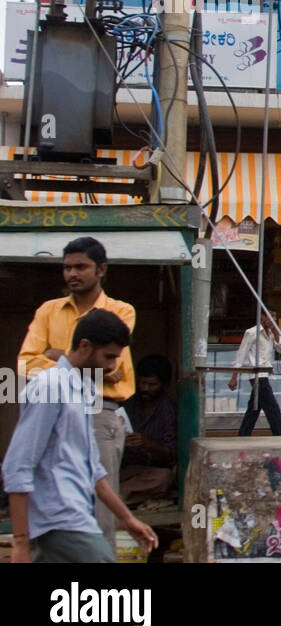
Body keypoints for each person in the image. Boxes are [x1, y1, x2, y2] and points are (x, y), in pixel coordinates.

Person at [3, 309, 158, 563]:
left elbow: (93, 469)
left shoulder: (82, 390)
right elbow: (17, 465)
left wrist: (127, 518)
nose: (111, 366)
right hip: (59, 518)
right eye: (108, 356)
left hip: (75, 515)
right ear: (85, 346)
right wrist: (21, 543)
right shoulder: (50, 387)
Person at [17, 236, 137, 544]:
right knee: (52, 497)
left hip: (100, 413)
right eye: (67, 267)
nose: (72, 273)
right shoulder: (49, 310)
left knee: (98, 511)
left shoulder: (121, 311)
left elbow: (113, 370)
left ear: (101, 270)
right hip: (54, 406)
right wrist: (73, 364)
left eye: (81, 267)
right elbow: (25, 365)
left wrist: (58, 356)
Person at [120, 354, 178, 503]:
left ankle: (122, 494)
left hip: (151, 471)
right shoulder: (128, 404)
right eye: (142, 383)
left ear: (164, 385)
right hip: (126, 468)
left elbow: (171, 454)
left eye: (152, 385)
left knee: (164, 478)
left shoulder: (168, 411)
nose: (145, 389)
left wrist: (147, 444)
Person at [229, 310, 281, 436]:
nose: (271, 319)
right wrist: (234, 377)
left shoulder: (271, 334)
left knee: (254, 408)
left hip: (265, 373)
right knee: (271, 406)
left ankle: (243, 435)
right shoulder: (252, 333)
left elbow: (280, 349)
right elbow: (241, 355)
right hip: (257, 374)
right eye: (269, 316)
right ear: (262, 317)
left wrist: (276, 332)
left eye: (274, 316)